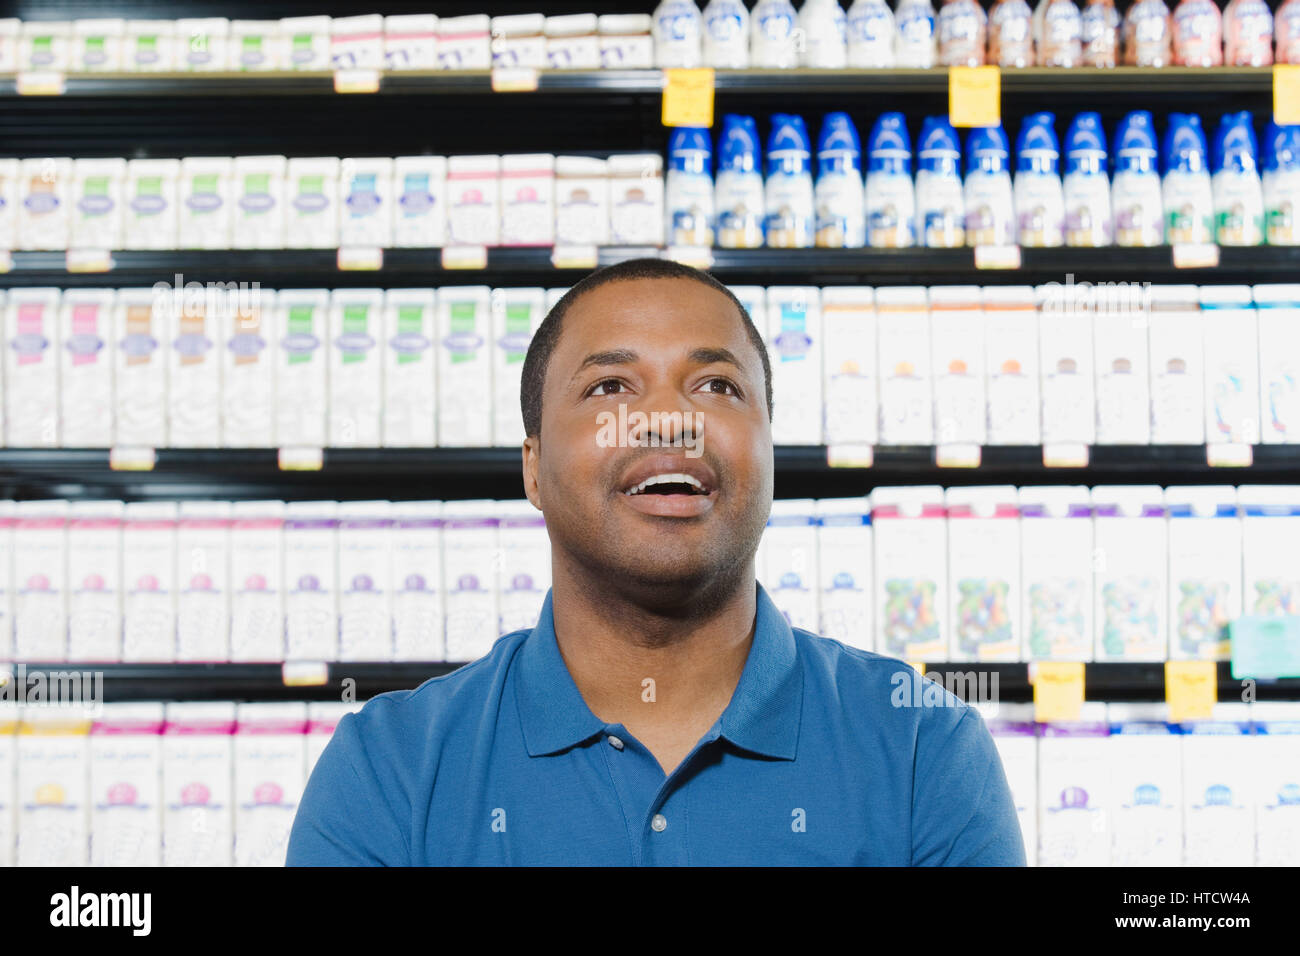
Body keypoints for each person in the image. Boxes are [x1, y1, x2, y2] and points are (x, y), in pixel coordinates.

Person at [286, 257, 1026, 866]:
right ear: (533, 468)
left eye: (717, 387)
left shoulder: (923, 749)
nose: (670, 420)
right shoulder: (390, 769)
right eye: (610, 387)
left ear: (771, 454)